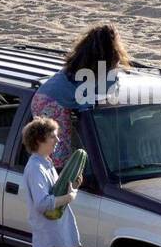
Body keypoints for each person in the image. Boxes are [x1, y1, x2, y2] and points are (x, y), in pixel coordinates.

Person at [31, 24, 131, 168]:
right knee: (59, 149)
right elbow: (86, 106)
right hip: (52, 103)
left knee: (56, 146)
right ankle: (58, 177)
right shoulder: (92, 73)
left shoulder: (84, 61)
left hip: (43, 97)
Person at [21, 117, 81, 247]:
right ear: (39, 139)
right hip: (51, 240)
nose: (57, 140)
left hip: (58, 237)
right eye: (52, 136)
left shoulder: (46, 164)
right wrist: (69, 198)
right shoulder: (36, 168)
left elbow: (55, 196)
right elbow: (42, 203)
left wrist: (73, 188)